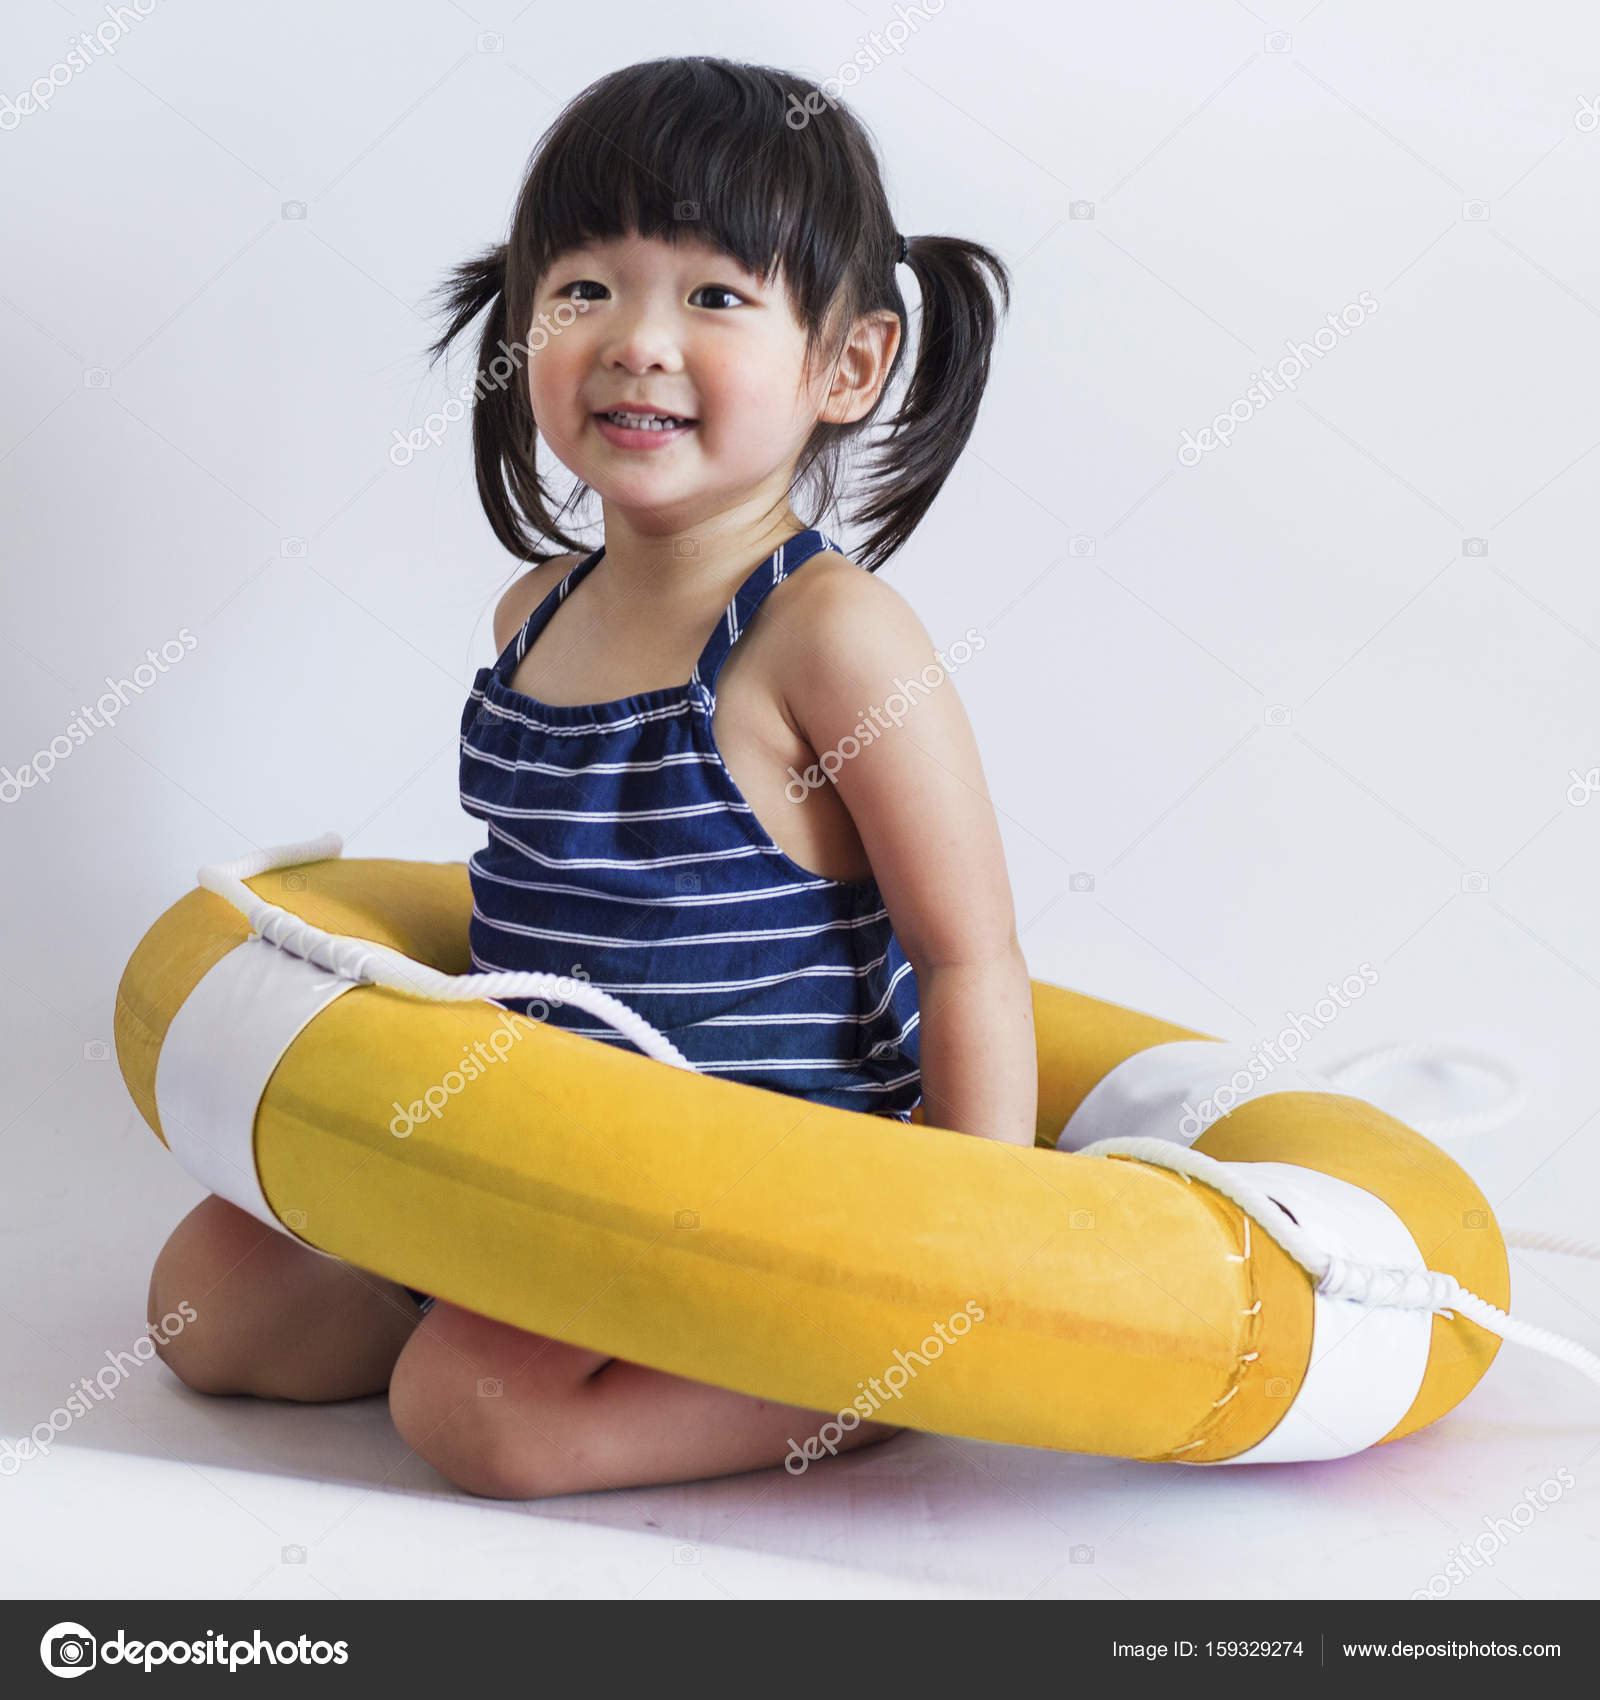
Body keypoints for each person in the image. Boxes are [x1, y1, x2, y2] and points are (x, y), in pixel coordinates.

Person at [149, 55, 1035, 1499]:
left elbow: (968, 952)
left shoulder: (829, 636)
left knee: (481, 1418)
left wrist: (977, 1243)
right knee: (210, 1308)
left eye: (713, 296)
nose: (636, 340)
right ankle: (520, 1311)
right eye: (584, 290)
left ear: (848, 365)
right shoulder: (535, 612)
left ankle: (864, 1388)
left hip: (759, 1189)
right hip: (541, 1154)